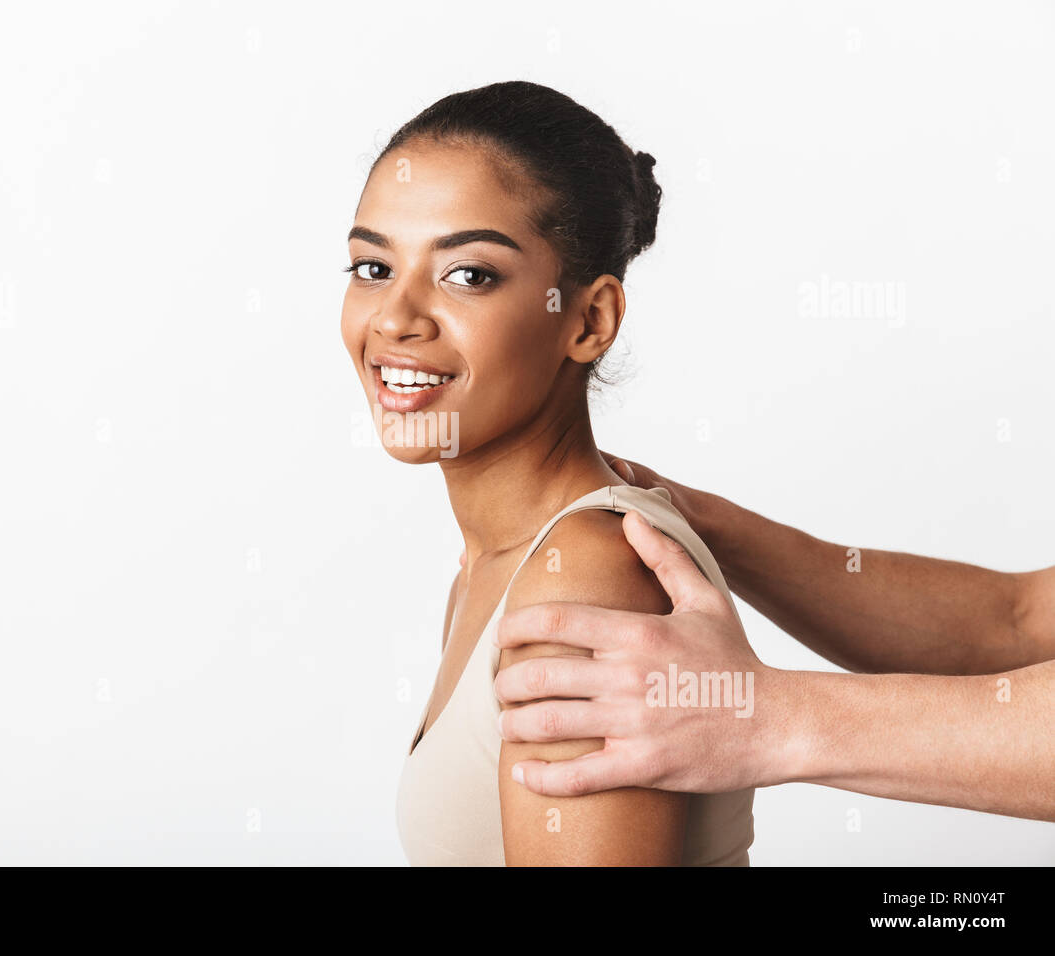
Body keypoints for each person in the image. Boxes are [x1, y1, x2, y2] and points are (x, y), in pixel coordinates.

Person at [342, 81, 755, 865]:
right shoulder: (496, 567)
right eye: (371, 267)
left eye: (468, 275)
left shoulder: (580, 582)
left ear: (588, 320)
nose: (395, 318)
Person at [494, 457, 1055, 823]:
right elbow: (1020, 620)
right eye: (397, 269)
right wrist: (699, 523)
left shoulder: (585, 573)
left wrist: (767, 716)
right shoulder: (560, 550)